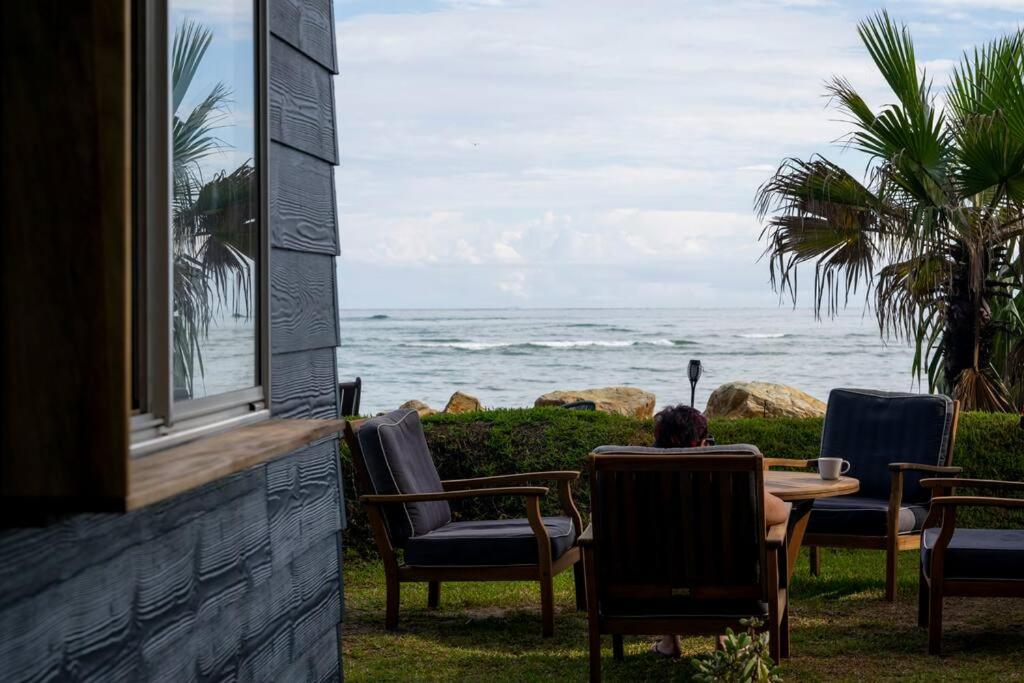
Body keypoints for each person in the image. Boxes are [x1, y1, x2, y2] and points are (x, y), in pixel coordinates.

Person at [649, 404, 790, 658]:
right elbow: (779, 513)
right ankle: (725, 637)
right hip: (730, 593)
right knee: (724, 549)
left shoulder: (631, 477)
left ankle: (669, 641)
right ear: (702, 444)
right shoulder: (728, 478)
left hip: (650, 593)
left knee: (669, 551)